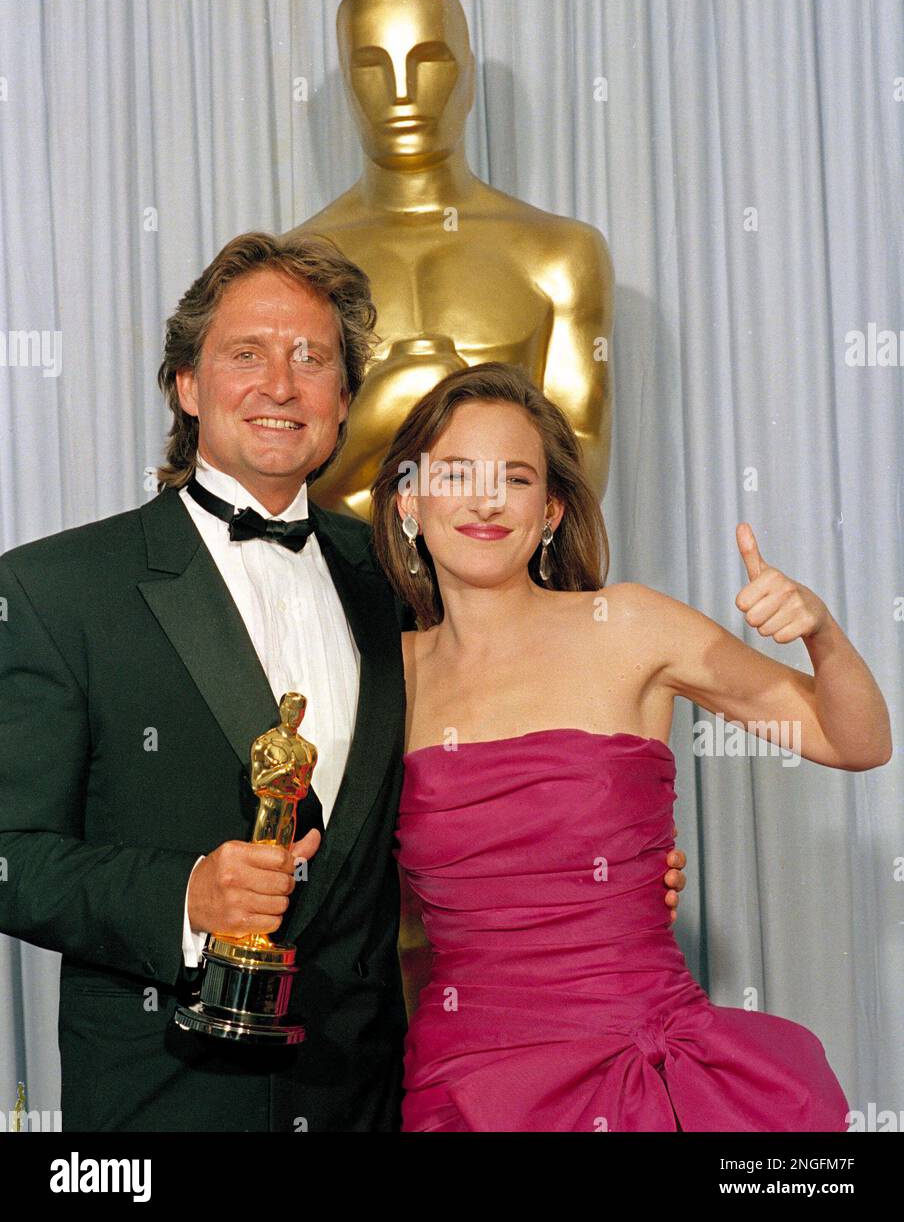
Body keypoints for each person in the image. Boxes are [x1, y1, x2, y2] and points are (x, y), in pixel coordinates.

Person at [0, 232, 687, 1132]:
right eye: (246, 354)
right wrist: (186, 898)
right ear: (187, 384)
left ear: (344, 402)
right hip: (164, 1096)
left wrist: (587, 862)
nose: (280, 385)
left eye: (311, 359)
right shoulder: (56, 589)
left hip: (367, 1093)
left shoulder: (403, 578)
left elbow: (499, 741)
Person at [369, 360, 892, 1132]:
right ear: (410, 499)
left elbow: (857, 741)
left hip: (648, 1078)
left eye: (514, 478)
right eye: (455, 473)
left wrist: (821, 631)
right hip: (471, 1091)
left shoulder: (631, 627)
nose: (484, 500)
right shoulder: (382, 681)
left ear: (549, 511)